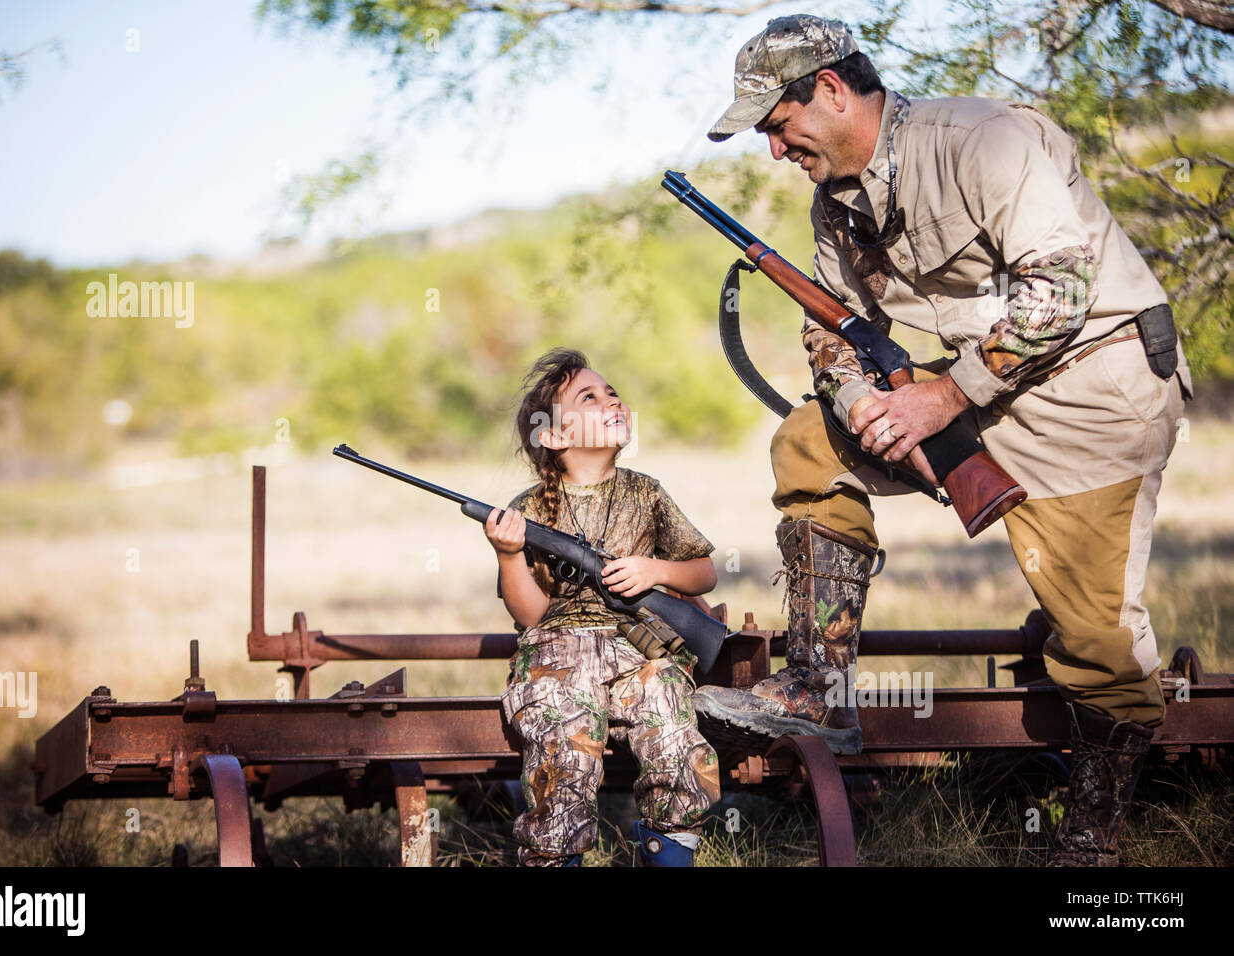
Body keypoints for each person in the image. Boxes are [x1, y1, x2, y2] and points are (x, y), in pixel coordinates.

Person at [692, 14, 1192, 867]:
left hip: (1090, 398)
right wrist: (857, 400)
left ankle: (1090, 846)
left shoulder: (982, 141)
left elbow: (1060, 290)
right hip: (959, 393)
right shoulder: (834, 208)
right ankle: (819, 690)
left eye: (778, 127)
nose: (775, 151)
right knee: (809, 442)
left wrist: (943, 398)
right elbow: (836, 330)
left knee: (1099, 643)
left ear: (832, 91)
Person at [485, 347, 722, 866]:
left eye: (610, 391)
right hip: (558, 655)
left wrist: (654, 571)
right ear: (554, 436)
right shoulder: (530, 510)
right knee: (562, 752)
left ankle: (670, 847)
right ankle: (556, 853)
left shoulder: (646, 493)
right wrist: (509, 555)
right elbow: (530, 615)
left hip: (638, 651)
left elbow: (703, 570)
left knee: (675, 733)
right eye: (588, 397)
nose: (610, 400)